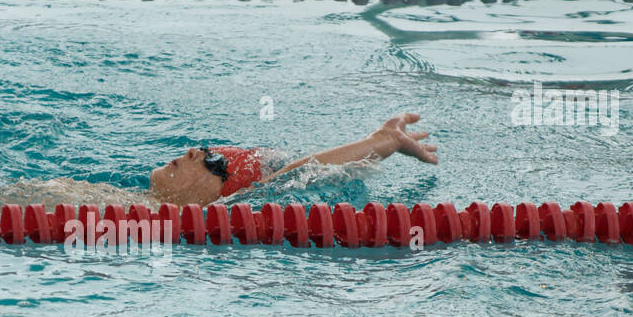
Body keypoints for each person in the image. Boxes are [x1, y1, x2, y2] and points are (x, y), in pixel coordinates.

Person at [148, 113, 439, 206]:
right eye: (205, 154)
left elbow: (298, 172)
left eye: (214, 163)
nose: (192, 152)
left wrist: (383, 142)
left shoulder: (215, 214)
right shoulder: (131, 201)